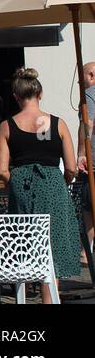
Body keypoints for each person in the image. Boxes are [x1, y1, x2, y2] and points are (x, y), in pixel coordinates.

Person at [0, 67, 82, 302]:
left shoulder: (6, 126)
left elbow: (2, 170)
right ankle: (49, 301)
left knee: (23, 246)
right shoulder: (58, 124)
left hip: (21, 189)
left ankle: (22, 298)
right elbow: (72, 167)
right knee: (51, 249)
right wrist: (59, 183)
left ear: (16, 96)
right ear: (40, 93)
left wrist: (19, 182)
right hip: (54, 187)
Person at [77, 61, 95, 257]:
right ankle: (86, 251)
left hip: (94, 163)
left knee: (88, 204)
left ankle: (86, 251)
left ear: (90, 75)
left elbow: (87, 124)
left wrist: (82, 153)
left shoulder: (91, 94)